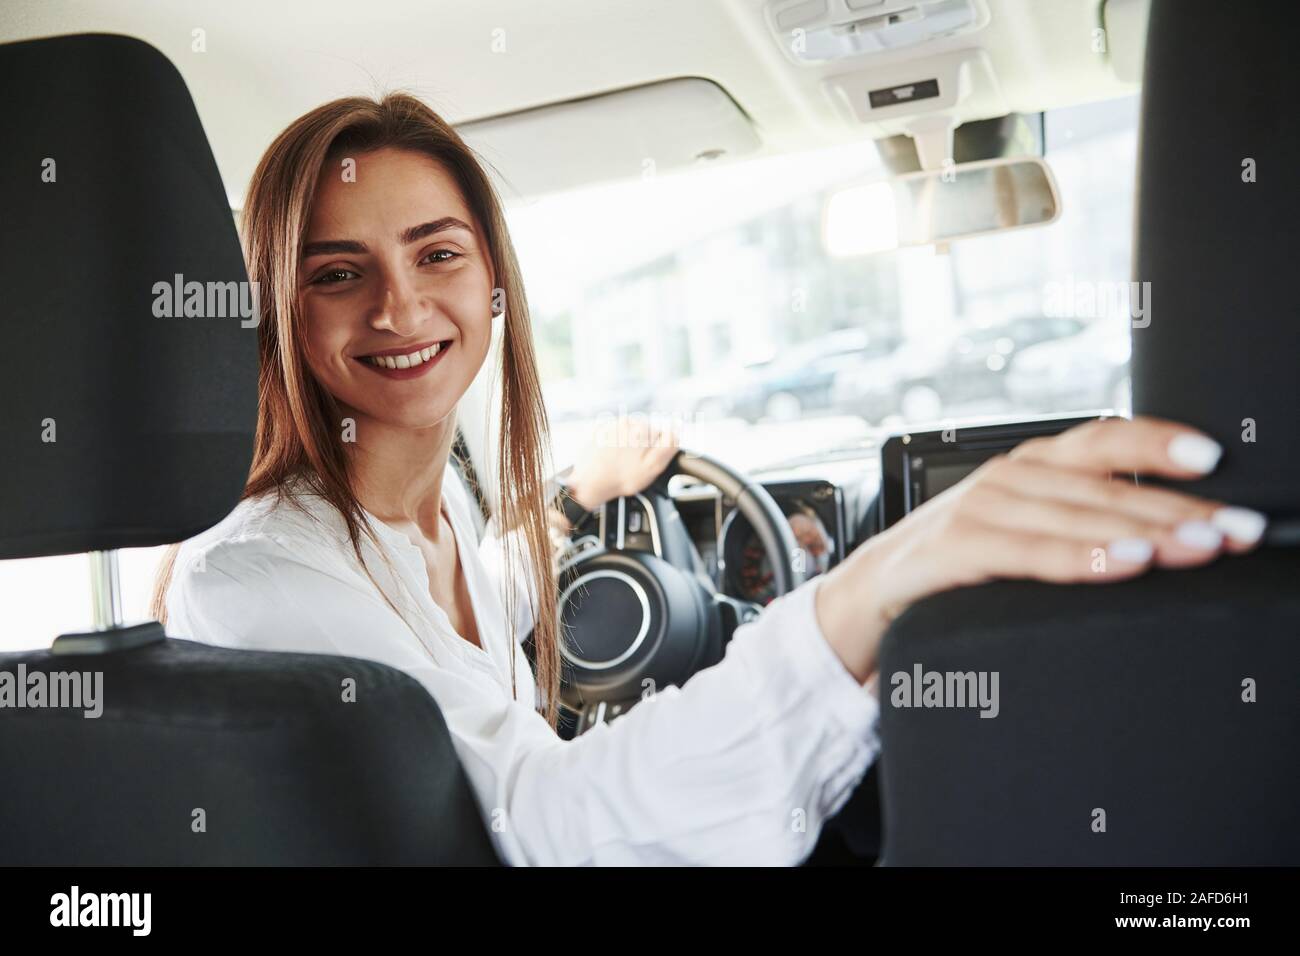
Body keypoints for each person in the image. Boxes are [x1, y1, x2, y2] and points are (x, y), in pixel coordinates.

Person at [154, 93, 1266, 866]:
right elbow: (547, 824)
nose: (398, 309)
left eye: (437, 254)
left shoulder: (433, 505)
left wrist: (580, 500)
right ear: (278, 311)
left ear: (494, 281)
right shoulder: (260, 580)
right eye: (339, 274)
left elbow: (477, 605)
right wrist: (862, 591)